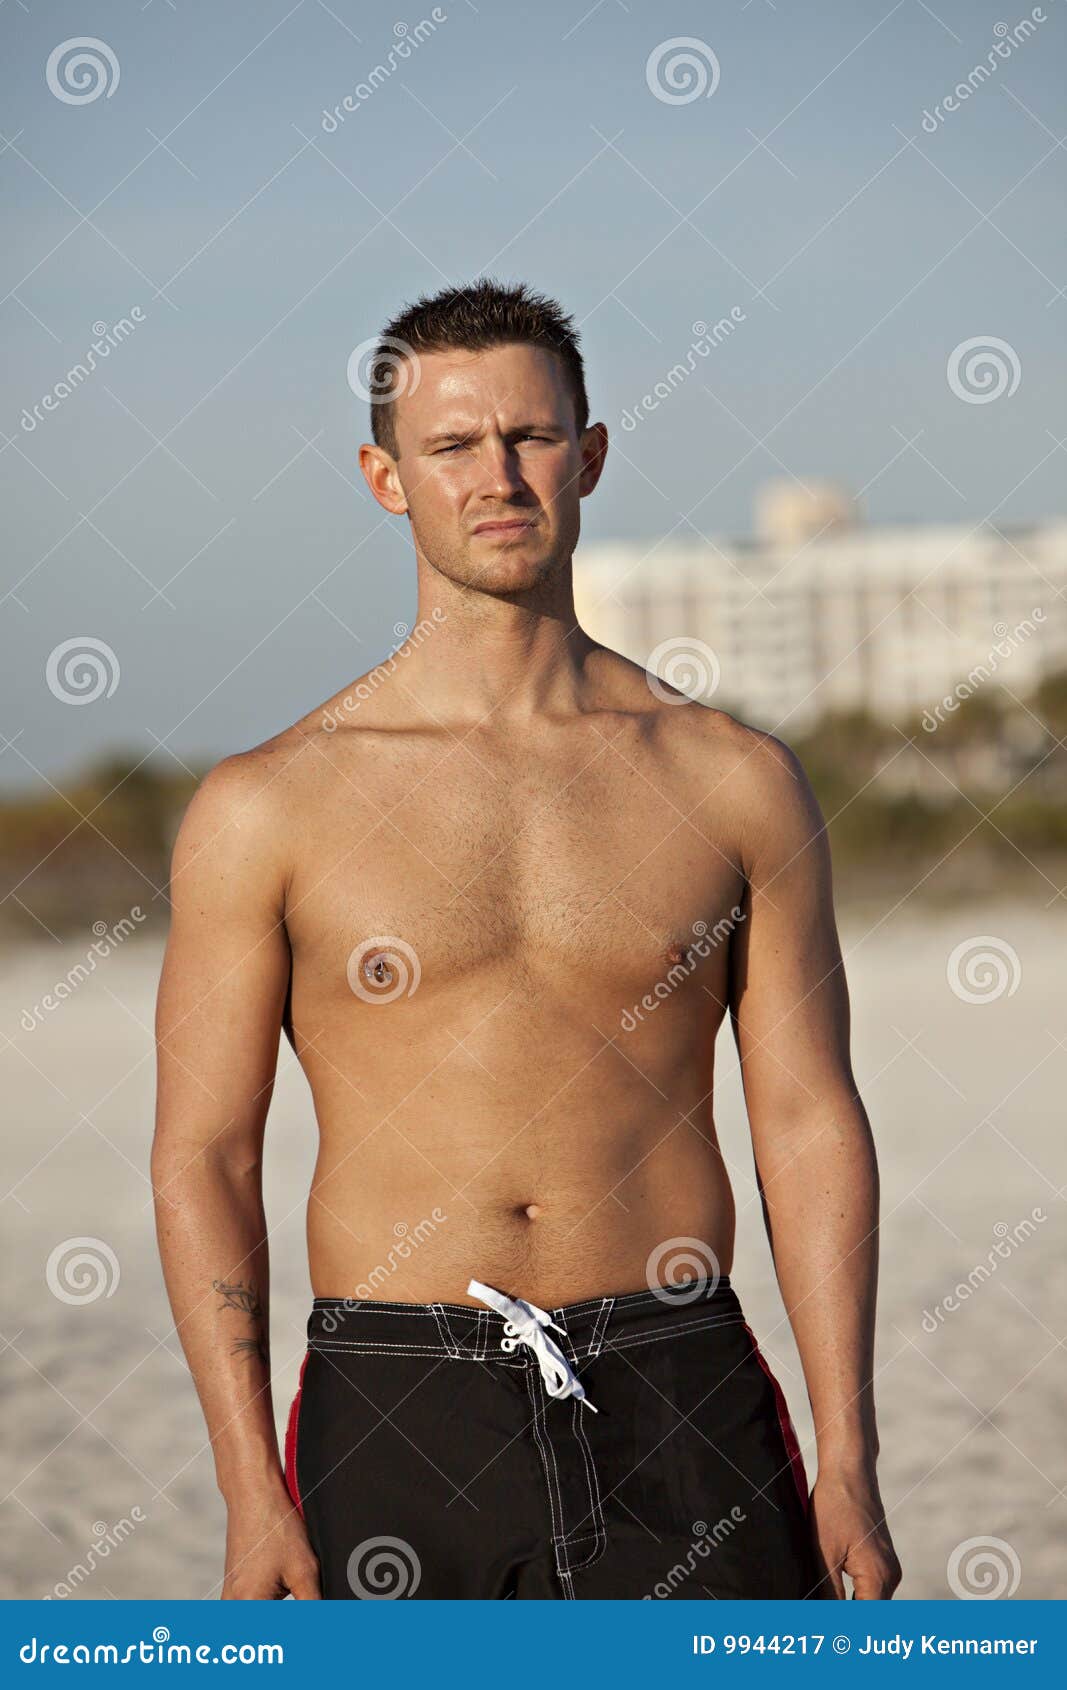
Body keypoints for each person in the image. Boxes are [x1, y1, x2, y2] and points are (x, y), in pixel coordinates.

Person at [151, 277, 901, 1601]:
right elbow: (205, 1152)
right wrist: (245, 1483)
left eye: (531, 436)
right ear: (388, 478)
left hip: (677, 1380)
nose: (496, 475)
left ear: (590, 453)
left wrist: (848, 1451)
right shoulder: (268, 802)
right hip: (397, 1395)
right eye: (451, 445)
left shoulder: (730, 778)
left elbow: (809, 1120)